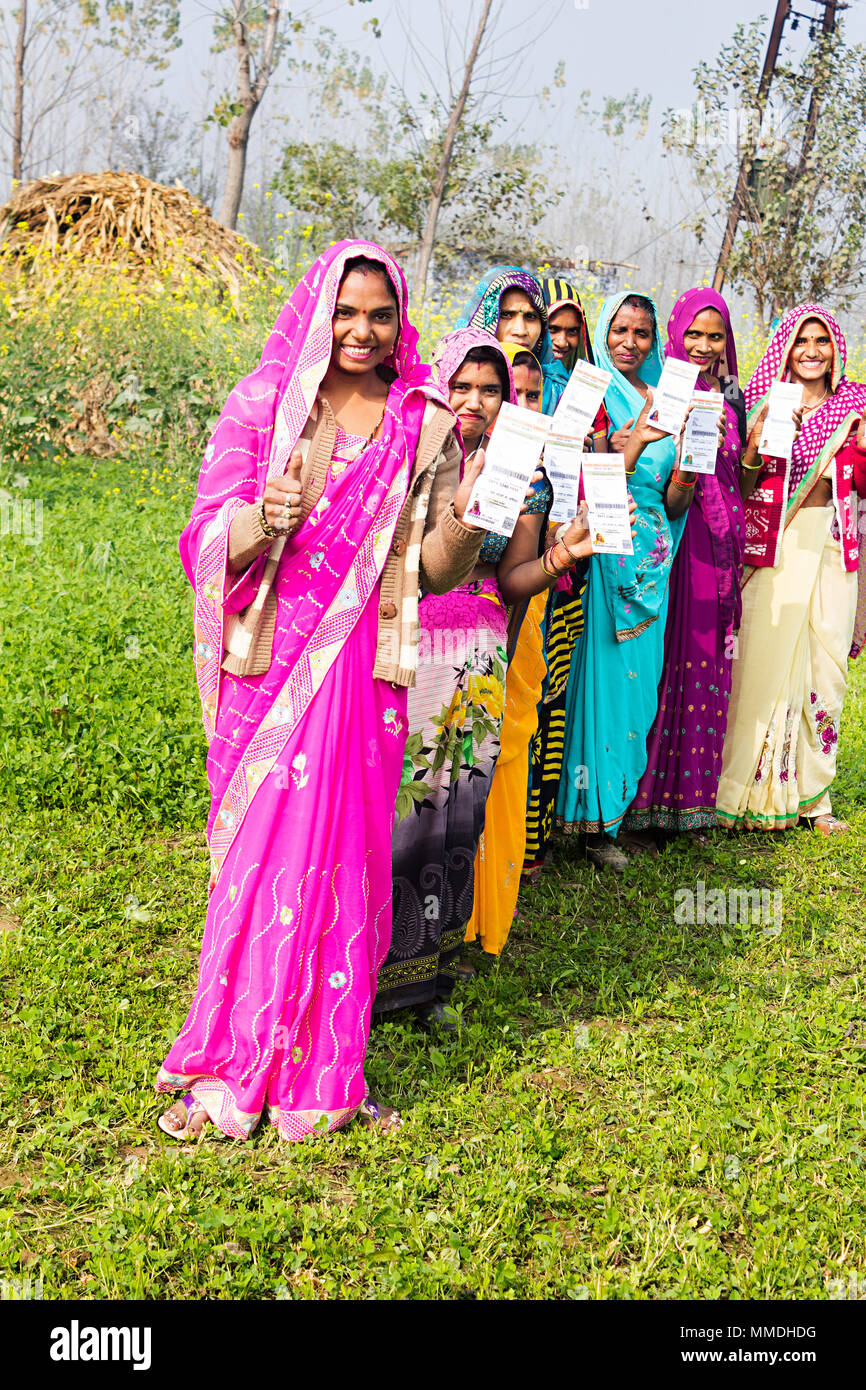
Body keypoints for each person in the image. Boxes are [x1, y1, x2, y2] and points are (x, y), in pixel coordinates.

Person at [156, 241, 485, 1142]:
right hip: (272, 668)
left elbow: (432, 570)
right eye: (347, 311)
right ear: (318, 310)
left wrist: (471, 516)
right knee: (263, 862)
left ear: (398, 321)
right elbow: (203, 544)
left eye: (381, 314)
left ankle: (322, 1069)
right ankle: (232, 1059)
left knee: (343, 865)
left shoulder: (422, 422)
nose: (363, 330)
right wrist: (263, 518)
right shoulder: (265, 401)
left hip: (362, 672)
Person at [374, 328, 593, 1026]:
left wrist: (562, 555)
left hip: (479, 652)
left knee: (460, 807)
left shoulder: (525, 470)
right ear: (441, 384)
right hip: (407, 644)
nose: (475, 401)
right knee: (404, 807)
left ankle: (430, 966)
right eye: (463, 386)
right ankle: (373, 964)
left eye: (491, 389)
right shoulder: (408, 448)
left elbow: (512, 576)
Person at [557, 292, 695, 871]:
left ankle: (617, 812)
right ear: (605, 331)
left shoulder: (668, 399)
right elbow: (578, 473)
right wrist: (624, 451)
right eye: (619, 329)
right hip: (604, 552)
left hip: (654, 560)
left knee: (640, 690)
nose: (629, 343)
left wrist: (689, 461)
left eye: (642, 332)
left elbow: (674, 497)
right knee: (603, 686)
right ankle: (590, 824)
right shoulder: (590, 393)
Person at [716, 304, 866, 834]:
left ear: (836, 351)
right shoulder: (761, 402)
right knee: (762, 661)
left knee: (825, 667)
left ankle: (814, 800)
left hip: (831, 540)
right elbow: (741, 479)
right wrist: (759, 440)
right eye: (801, 340)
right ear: (785, 347)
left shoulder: (855, 406)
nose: (810, 351)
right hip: (771, 546)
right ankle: (743, 790)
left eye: (821, 341)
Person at [623, 288, 745, 843]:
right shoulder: (657, 394)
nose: (701, 345)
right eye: (692, 334)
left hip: (717, 547)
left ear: (726, 343)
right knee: (668, 660)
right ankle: (644, 804)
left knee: (705, 660)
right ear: (675, 335)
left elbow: (739, 481)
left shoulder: (731, 397)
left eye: (713, 335)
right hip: (674, 537)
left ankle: (692, 804)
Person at [456, 265, 569, 412]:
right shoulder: (453, 379)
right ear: (483, 319)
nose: (520, 331)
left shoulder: (556, 389)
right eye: (506, 315)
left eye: (530, 317)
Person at [540, 276, 593, 374]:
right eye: (552, 329)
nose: (562, 343)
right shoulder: (509, 377)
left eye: (573, 331)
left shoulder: (584, 382)